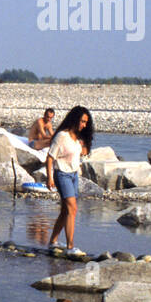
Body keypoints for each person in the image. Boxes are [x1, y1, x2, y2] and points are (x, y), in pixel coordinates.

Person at [45, 106, 93, 256]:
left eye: (86, 122)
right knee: (72, 209)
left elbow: (81, 154)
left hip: (73, 175)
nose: (84, 125)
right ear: (75, 119)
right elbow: (50, 157)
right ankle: (70, 247)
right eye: (82, 121)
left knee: (66, 210)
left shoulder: (77, 138)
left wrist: (84, 144)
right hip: (62, 175)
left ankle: (53, 241)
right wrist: (49, 177)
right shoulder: (61, 136)